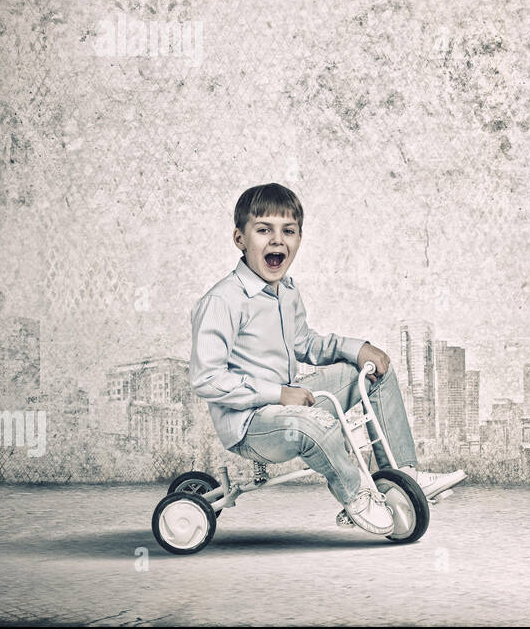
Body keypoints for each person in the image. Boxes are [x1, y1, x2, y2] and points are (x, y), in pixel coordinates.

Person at [189, 182, 465, 535]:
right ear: (240, 238)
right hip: (250, 425)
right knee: (318, 423)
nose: (277, 241)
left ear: (299, 239)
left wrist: (356, 348)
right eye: (263, 230)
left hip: (289, 403)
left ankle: (403, 477)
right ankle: (357, 497)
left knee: (373, 371)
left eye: (288, 231)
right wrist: (278, 395)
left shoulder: (286, 290)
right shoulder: (222, 301)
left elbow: (305, 343)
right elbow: (206, 379)